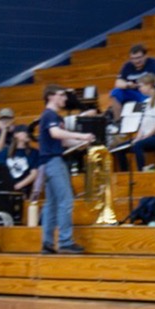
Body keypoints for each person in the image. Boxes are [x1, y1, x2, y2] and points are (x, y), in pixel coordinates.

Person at [36, 85, 92, 254]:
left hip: (47, 163)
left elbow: (63, 141)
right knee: (66, 201)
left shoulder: (51, 116)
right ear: (51, 96)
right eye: (61, 95)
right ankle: (65, 241)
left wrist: (82, 143)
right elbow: (56, 134)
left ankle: (47, 242)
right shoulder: (50, 115)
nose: (65, 98)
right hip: (54, 162)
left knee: (51, 204)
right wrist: (81, 136)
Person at [113, 73, 155, 172]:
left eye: (141, 86)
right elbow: (143, 124)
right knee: (119, 149)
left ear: (149, 85)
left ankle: (141, 172)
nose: (139, 89)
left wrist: (146, 137)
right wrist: (137, 138)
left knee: (138, 146)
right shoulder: (147, 101)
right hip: (148, 136)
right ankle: (124, 173)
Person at [109, 44, 155, 121]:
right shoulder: (127, 66)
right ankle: (118, 121)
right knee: (115, 92)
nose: (136, 61)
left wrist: (142, 85)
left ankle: (142, 121)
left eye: (139, 58)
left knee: (148, 97)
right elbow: (118, 83)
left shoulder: (152, 63)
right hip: (132, 92)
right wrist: (127, 85)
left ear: (145, 56)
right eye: (133, 59)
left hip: (146, 93)